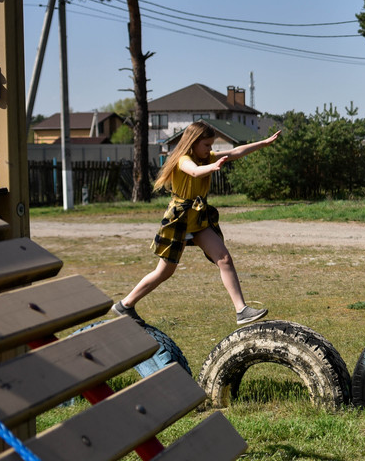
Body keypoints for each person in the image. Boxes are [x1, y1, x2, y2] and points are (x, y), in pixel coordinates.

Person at [113, 121, 280, 326]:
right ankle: (125, 305)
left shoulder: (206, 157)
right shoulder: (183, 159)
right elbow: (193, 171)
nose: (210, 149)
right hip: (180, 218)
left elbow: (236, 151)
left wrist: (264, 143)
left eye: (211, 145)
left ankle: (241, 310)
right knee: (164, 271)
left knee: (224, 258)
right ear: (193, 143)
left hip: (198, 219)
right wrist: (213, 166)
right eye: (207, 145)